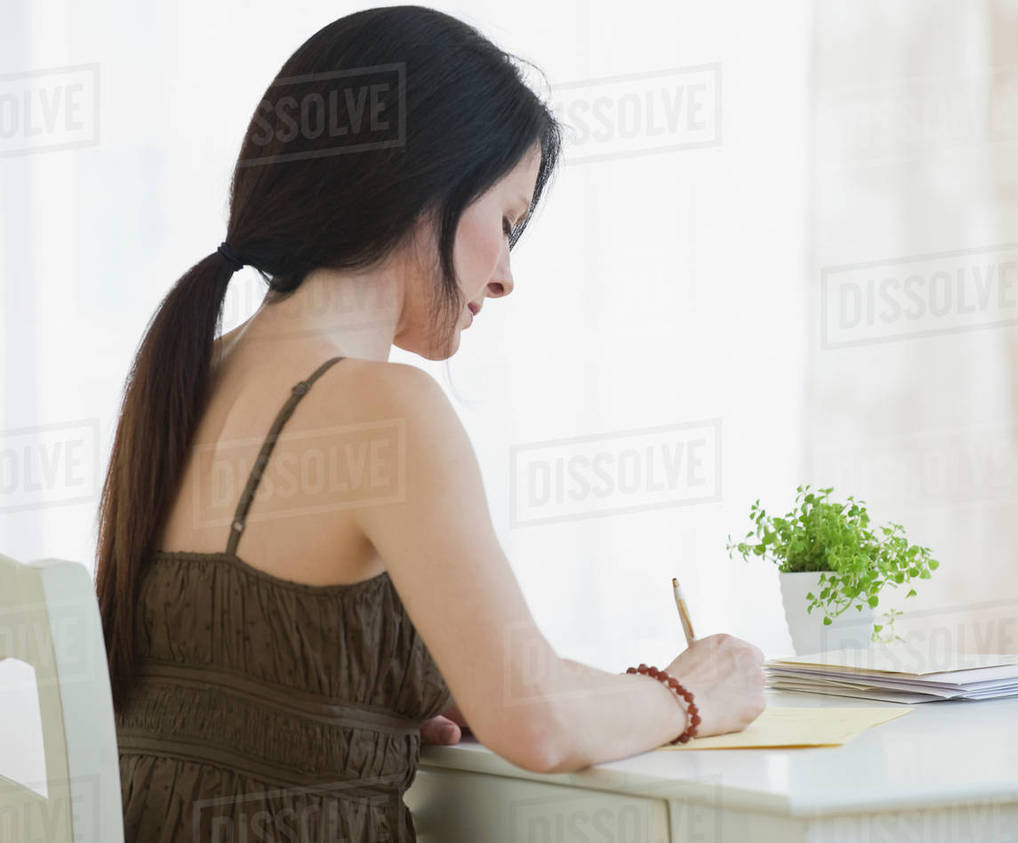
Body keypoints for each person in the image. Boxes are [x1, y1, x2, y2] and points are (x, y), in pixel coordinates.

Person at [95, 6, 764, 840]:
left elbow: (222, 681)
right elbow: (538, 720)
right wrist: (692, 692)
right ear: (424, 185)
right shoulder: (386, 405)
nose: (509, 275)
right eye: (509, 223)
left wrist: (368, 701)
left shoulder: (185, 372)